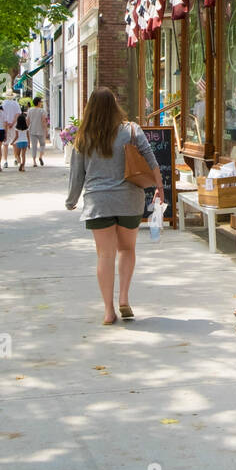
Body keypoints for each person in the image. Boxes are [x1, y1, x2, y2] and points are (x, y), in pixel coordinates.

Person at [65, 88, 164, 325]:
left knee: (105, 255)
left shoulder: (83, 136)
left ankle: (108, 311)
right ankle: (124, 298)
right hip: (129, 200)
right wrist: (160, 189)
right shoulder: (131, 130)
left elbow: (76, 174)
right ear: (115, 105)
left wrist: (72, 200)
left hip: (98, 202)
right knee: (127, 250)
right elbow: (151, 160)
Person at [0, 93, 21, 168]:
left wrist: (7, 123)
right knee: (15, 143)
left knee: (5, 144)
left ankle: (5, 161)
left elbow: (1, 115)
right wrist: (13, 123)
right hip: (14, 125)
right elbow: (18, 114)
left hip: (5, 125)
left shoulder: (3, 104)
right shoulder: (16, 103)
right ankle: (16, 158)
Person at [27, 96, 48, 166]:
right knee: (42, 144)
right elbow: (43, 121)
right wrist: (46, 130)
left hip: (32, 130)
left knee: (34, 146)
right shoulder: (42, 111)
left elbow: (28, 120)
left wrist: (27, 128)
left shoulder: (30, 110)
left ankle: (34, 162)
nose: (41, 103)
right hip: (41, 130)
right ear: (38, 102)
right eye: (41, 102)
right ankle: (40, 156)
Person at [13, 108, 29, 172]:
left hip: (18, 142)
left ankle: (20, 163)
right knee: (23, 155)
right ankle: (23, 167)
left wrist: (12, 142)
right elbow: (28, 136)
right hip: (25, 142)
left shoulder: (16, 128)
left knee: (17, 155)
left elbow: (16, 136)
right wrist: (29, 143)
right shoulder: (26, 128)